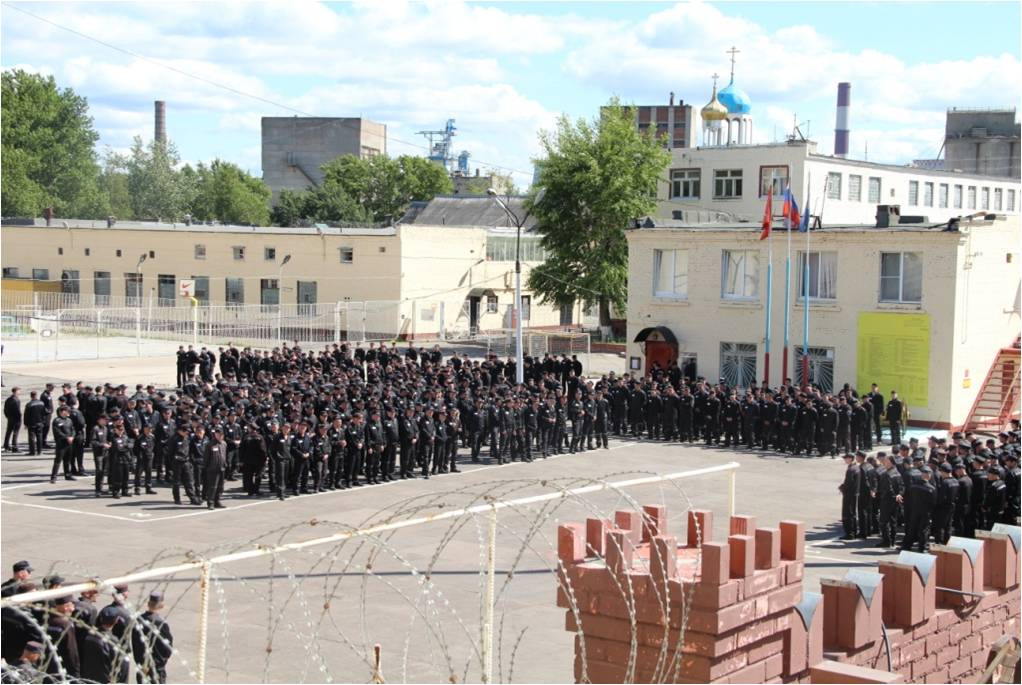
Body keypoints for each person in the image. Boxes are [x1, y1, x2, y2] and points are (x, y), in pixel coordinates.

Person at [79, 606, 130, 683]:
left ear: (101, 618)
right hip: (105, 680)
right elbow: (122, 665)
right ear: (116, 621)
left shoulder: (89, 636)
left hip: (89, 679)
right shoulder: (112, 641)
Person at [132, 591, 173, 684]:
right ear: (161, 605)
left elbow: (135, 643)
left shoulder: (139, 620)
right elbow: (167, 648)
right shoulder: (161, 623)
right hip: (156, 667)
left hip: (142, 665)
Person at [50, 405, 77, 484]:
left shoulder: (69, 420)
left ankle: (67, 474)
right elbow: (58, 432)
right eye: (67, 411)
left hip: (69, 443)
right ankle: (53, 476)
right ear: (62, 411)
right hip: (61, 443)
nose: (69, 413)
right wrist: (66, 438)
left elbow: (73, 429)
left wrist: (72, 436)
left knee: (67, 460)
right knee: (58, 460)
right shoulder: (57, 421)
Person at [204, 426, 228, 509]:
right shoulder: (210, 444)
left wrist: (225, 465)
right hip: (212, 469)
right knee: (212, 487)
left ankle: (217, 501)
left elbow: (224, 455)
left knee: (220, 486)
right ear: (215, 434)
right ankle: (210, 502)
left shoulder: (224, 443)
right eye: (218, 434)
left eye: (221, 434)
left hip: (222, 468)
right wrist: (207, 468)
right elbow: (206, 458)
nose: (220, 436)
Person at [838, 454, 860, 540]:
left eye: (846, 458)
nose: (844, 460)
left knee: (847, 513)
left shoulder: (851, 469)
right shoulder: (856, 467)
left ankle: (849, 533)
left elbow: (848, 483)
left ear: (850, 459)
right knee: (853, 513)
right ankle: (853, 531)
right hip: (854, 493)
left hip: (849, 494)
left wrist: (842, 488)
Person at [23, 391, 46, 456]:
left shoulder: (29, 404)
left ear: (31, 396)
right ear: (36, 395)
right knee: (39, 437)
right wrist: (43, 421)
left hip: (31, 423)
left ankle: (32, 452)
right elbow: (44, 413)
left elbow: (26, 415)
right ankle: (39, 451)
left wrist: (25, 423)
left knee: (31, 438)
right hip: (40, 422)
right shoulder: (41, 403)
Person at [4, 387, 22, 453]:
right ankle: (14, 447)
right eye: (19, 391)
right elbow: (17, 411)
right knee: (15, 433)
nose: (20, 392)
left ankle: (6, 445)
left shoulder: (8, 399)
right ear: (16, 391)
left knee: (8, 432)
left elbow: (5, 410)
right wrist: (19, 419)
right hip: (16, 419)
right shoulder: (16, 400)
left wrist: (8, 416)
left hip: (10, 418)